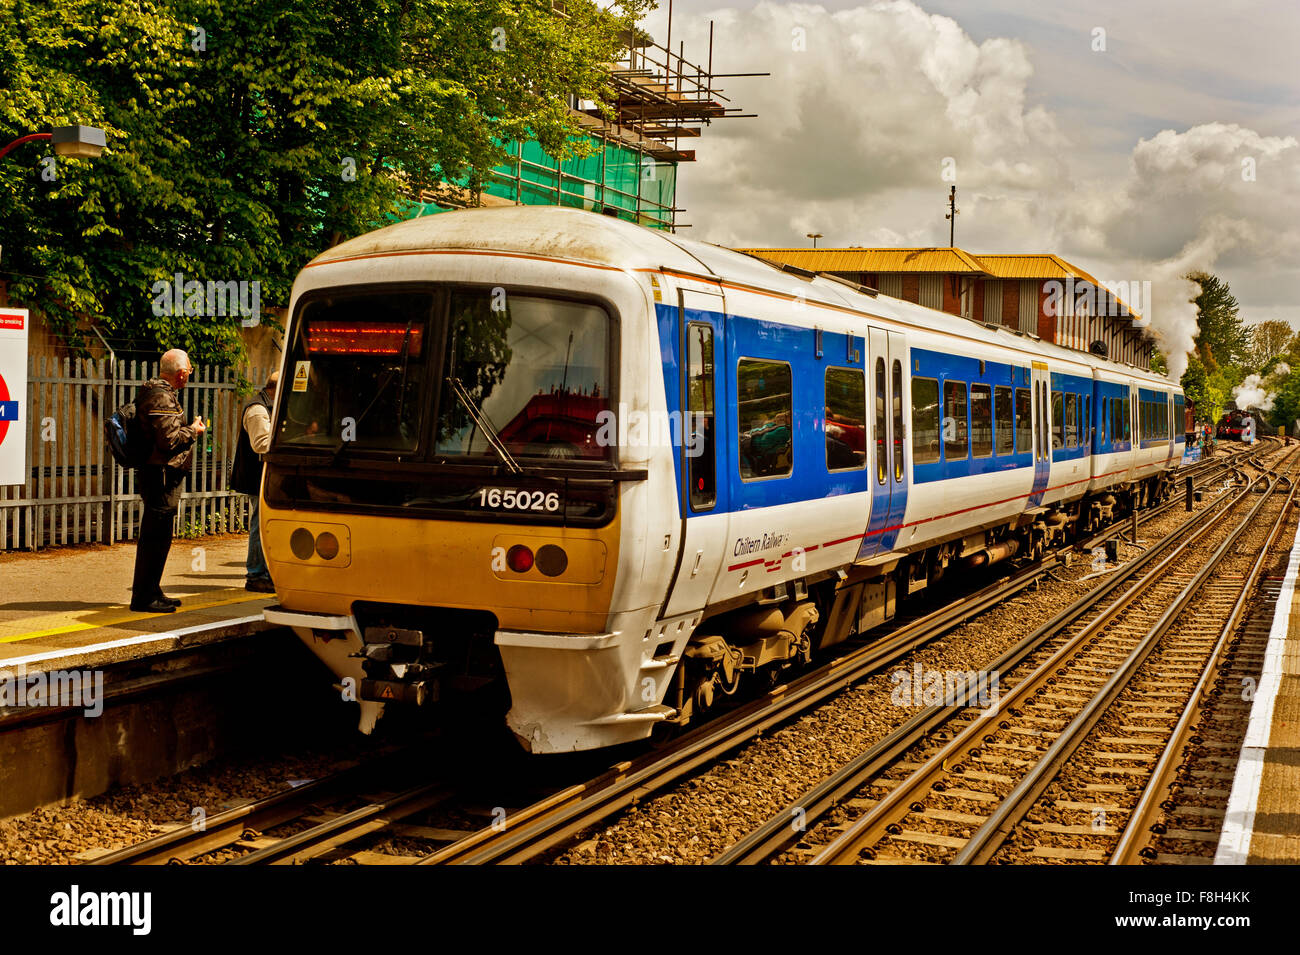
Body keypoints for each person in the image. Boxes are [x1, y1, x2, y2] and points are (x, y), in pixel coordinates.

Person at [130, 349, 206, 613]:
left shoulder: (157, 393)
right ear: (181, 374)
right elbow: (169, 440)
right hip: (160, 477)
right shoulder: (162, 397)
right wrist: (193, 431)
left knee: (159, 536)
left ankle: (153, 590)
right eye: (189, 370)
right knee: (155, 537)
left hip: (159, 474)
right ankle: (144, 597)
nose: (189, 375)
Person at [231, 371, 279, 592]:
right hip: (258, 477)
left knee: (266, 525)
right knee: (260, 525)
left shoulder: (270, 406)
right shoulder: (258, 409)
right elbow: (260, 443)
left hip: (267, 477)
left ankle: (265, 572)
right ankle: (256, 574)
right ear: (275, 390)